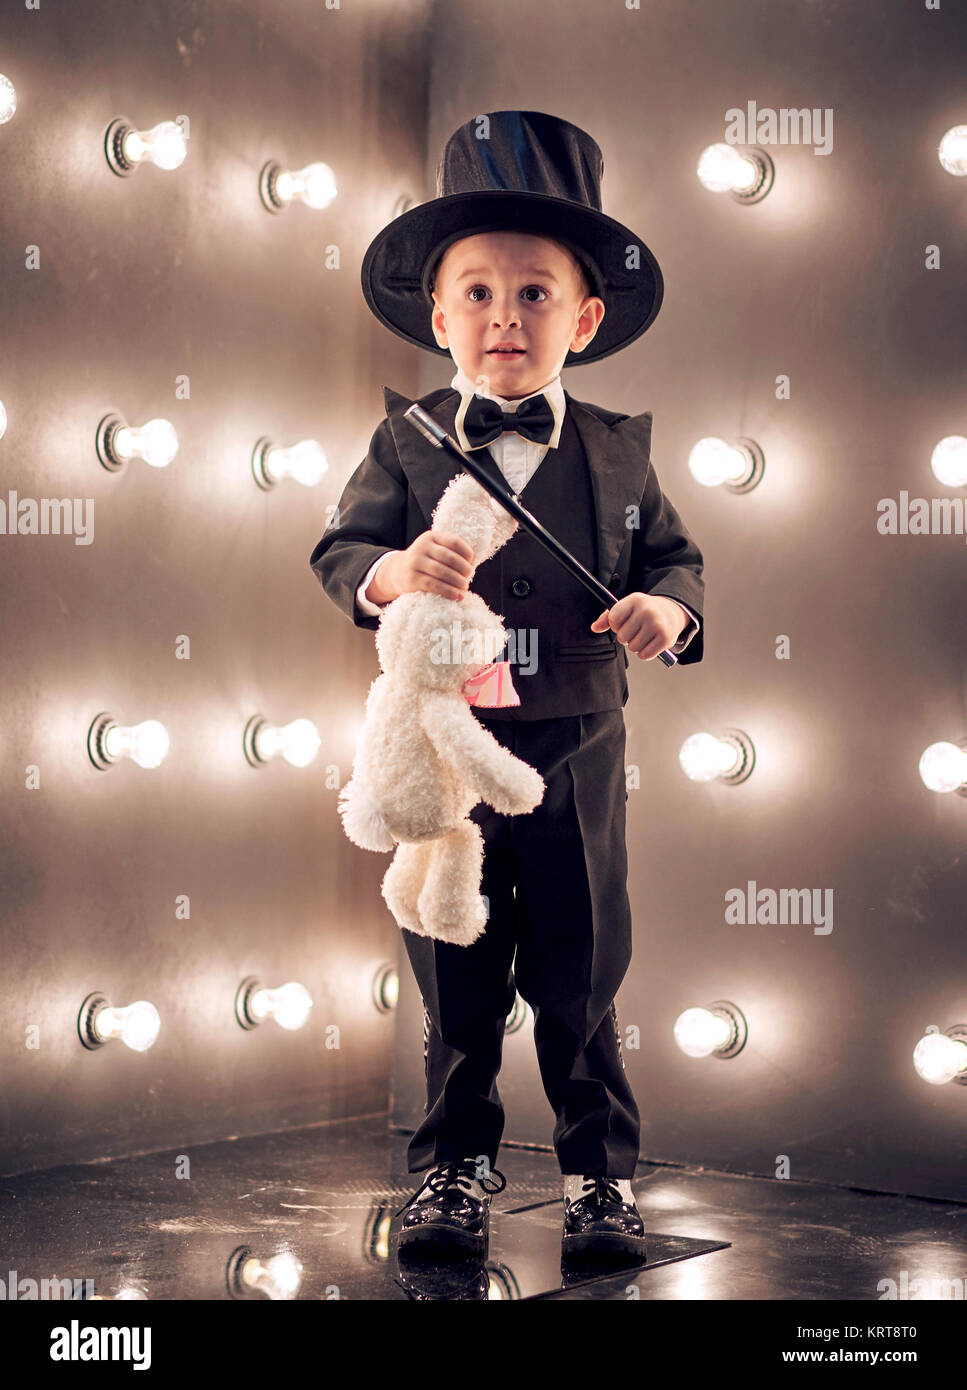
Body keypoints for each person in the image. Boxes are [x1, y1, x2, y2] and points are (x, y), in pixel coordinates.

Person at [309, 111, 705, 1268]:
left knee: (583, 971)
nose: (503, 318)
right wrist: (389, 572)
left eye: (534, 295)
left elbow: (676, 560)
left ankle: (596, 1178)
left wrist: (667, 611)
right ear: (438, 316)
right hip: (443, 748)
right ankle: (450, 1170)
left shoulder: (623, 451)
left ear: (584, 319)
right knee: (454, 964)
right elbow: (339, 551)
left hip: (579, 742)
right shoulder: (407, 440)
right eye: (475, 293)